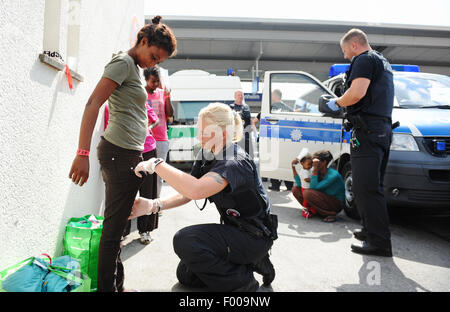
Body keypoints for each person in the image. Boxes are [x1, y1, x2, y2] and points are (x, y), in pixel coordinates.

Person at [68, 16, 177, 292]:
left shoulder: (135, 69)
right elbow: (93, 102)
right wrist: (82, 153)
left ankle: (117, 286)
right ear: (143, 41)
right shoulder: (123, 63)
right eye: (153, 56)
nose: (154, 64)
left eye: (159, 61)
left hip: (127, 155)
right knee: (113, 231)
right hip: (118, 154)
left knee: (117, 227)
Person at [129, 103, 278, 292]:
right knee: (186, 275)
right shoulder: (207, 155)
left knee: (185, 240)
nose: (198, 136)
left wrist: (156, 164)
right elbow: (187, 191)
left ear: (222, 133)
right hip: (234, 230)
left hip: (253, 236)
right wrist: (153, 205)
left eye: (203, 131)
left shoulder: (235, 161)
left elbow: (196, 190)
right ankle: (249, 263)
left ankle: (245, 285)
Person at [328, 29, 394, 257]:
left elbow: (356, 93)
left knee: (366, 188)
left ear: (355, 45)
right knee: (371, 186)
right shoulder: (382, 61)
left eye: (346, 51)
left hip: (368, 131)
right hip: (381, 129)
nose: (346, 56)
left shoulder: (364, 59)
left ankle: (379, 242)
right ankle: (370, 230)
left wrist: (336, 102)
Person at [104, 101, 159, 245]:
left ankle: (145, 230)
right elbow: (108, 131)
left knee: (148, 192)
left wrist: (149, 127)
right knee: (124, 194)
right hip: (124, 154)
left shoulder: (141, 100)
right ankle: (122, 231)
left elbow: (154, 119)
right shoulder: (110, 106)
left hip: (147, 150)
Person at [292, 151, 345, 223]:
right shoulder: (317, 172)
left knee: (307, 193)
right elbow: (300, 184)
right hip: (323, 198)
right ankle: (314, 210)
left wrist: (315, 170)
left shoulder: (333, 175)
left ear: (324, 162)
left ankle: (330, 214)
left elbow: (313, 188)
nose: (313, 164)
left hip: (335, 203)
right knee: (295, 189)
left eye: (315, 162)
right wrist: (293, 167)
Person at [146, 66, 173, 198]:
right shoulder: (141, 93)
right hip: (143, 139)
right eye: (153, 81)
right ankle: (143, 201)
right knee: (144, 172)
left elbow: (170, 114)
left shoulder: (163, 93)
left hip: (161, 139)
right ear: (146, 80)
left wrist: (168, 97)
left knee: (159, 174)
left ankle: (155, 204)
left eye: (158, 81)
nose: (156, 84)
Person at [291, 152, 315, 218]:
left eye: (311, 164)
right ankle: (305, 210)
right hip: (305, 189)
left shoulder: (310, 169)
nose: (310, 166)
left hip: (310, 189)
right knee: (306, 201)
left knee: (310, 200)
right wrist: (314, 179)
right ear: (302, 163)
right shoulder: (303, 171)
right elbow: (306, 179)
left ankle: (311, 209)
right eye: (309, 164)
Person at [229, 90, 253, 157]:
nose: (240, 96)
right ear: (235, 96)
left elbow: (249, 120)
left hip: (246, 134)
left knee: (247, 153)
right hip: (236, 135)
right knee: (237, 153)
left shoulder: (246, 107)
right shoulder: (231, 107)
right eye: (238, 95)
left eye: (241, 95)